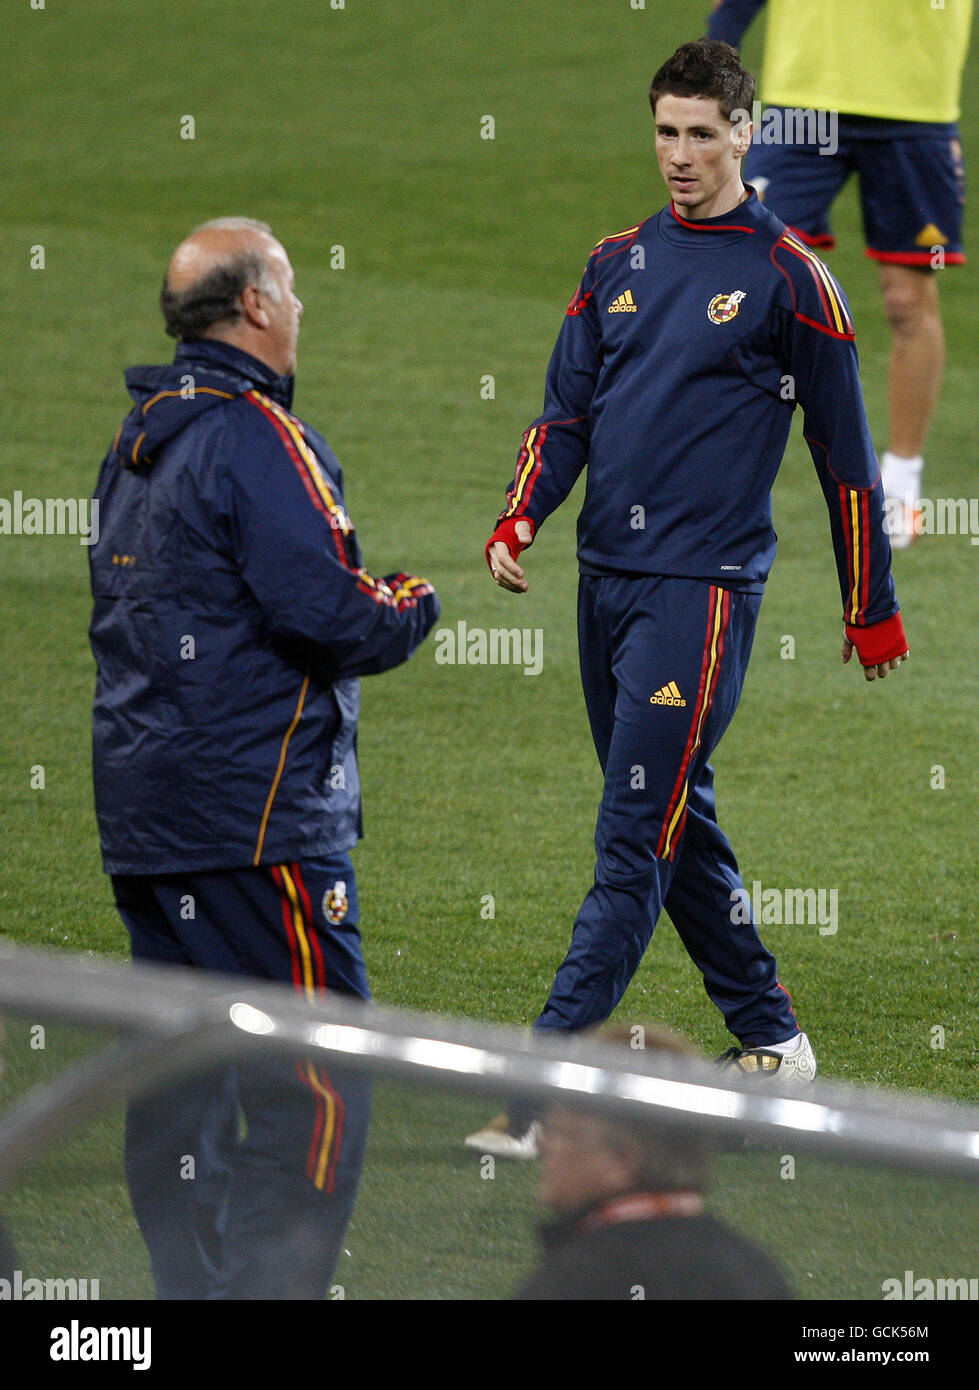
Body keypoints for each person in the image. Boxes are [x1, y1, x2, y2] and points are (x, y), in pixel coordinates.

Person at [466, 40, 908, 1161]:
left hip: (698, 601)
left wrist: (870, 605)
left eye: (701, 134)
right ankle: (769, 1032)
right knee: (672, 818)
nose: (679, 154)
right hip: (601, 590)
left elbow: (846, 461)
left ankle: (540, 1089)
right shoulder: (613, 261)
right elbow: (564, 414)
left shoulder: (791, 277)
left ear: (746, 136)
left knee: (631, 838)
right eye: (664, 132)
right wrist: (522, 516)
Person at [89, 217, 440, 1298]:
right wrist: (415, 604)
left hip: (149, 819)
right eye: (288, 284)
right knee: (317, 1080)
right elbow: (332, 610)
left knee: (178, 1083)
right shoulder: (255, 436)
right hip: (259, 819)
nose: (299, 303)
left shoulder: (137, 442)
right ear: (253, 308)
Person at [707, 0, 971, 545]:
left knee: (906, 297)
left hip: (915, 106)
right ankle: (712, 466)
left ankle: (901, 481)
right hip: (802, 98)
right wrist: (721, 45)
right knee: (745, 274)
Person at [514, 1027, 795, 1300]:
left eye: (559, 1131)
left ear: (622, 1159)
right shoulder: (755, 1269)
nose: (542, 1144)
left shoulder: (573, 1281)